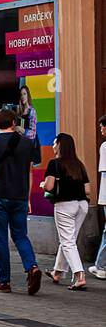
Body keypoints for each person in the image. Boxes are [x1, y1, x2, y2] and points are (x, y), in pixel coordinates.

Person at [0, 108, 42, 294]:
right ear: (14, 123)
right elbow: (29, 173)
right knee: (21, 235)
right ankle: (32, 267)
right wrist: (27, 197)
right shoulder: (27, 143)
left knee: (0, 239)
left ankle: (4, 280)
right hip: (20, 196)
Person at [43, 132, 91, 291]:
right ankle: (57, 272)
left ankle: (80, 276)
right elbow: (88, 190)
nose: (52, 146)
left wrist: (43, 185)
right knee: (69, 239)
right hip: (82, 205)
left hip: (65, 206)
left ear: (60, 146)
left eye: (54, 143)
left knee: (68, 241)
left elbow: (49, 187)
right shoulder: (79, 164)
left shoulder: (54, 164)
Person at [89, 116, 106, 280]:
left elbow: (105, 172)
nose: (101, 130)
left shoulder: (105, 146)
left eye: (102, 127)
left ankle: (101, 266)